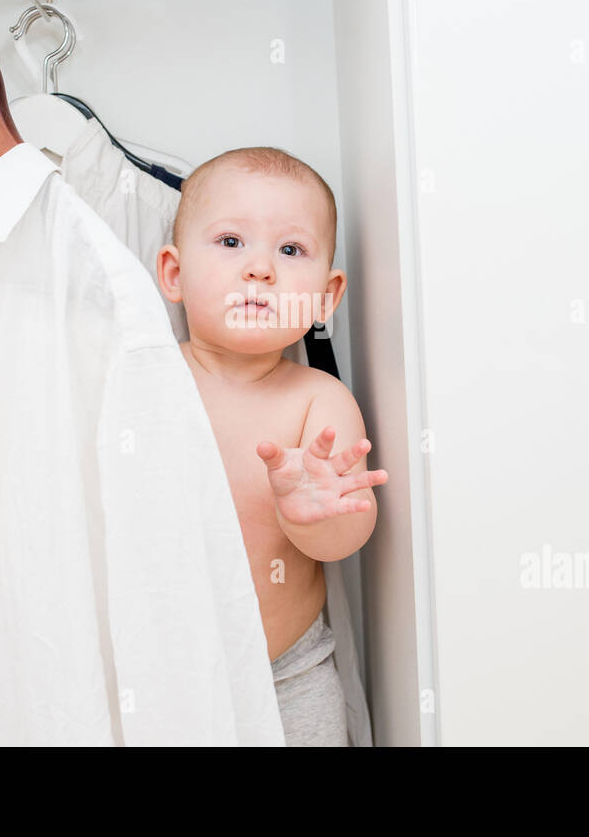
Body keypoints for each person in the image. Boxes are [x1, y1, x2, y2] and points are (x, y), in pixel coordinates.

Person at [155, 147, 387, 746]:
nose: (260, 269)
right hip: (159, 676)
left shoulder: (319, 401)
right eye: (231, 241)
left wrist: (314, 517)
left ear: (326, 296)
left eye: (290, 250)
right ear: (174, 274)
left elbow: (345, 542)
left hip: (289, 676)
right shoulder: (144, 385)